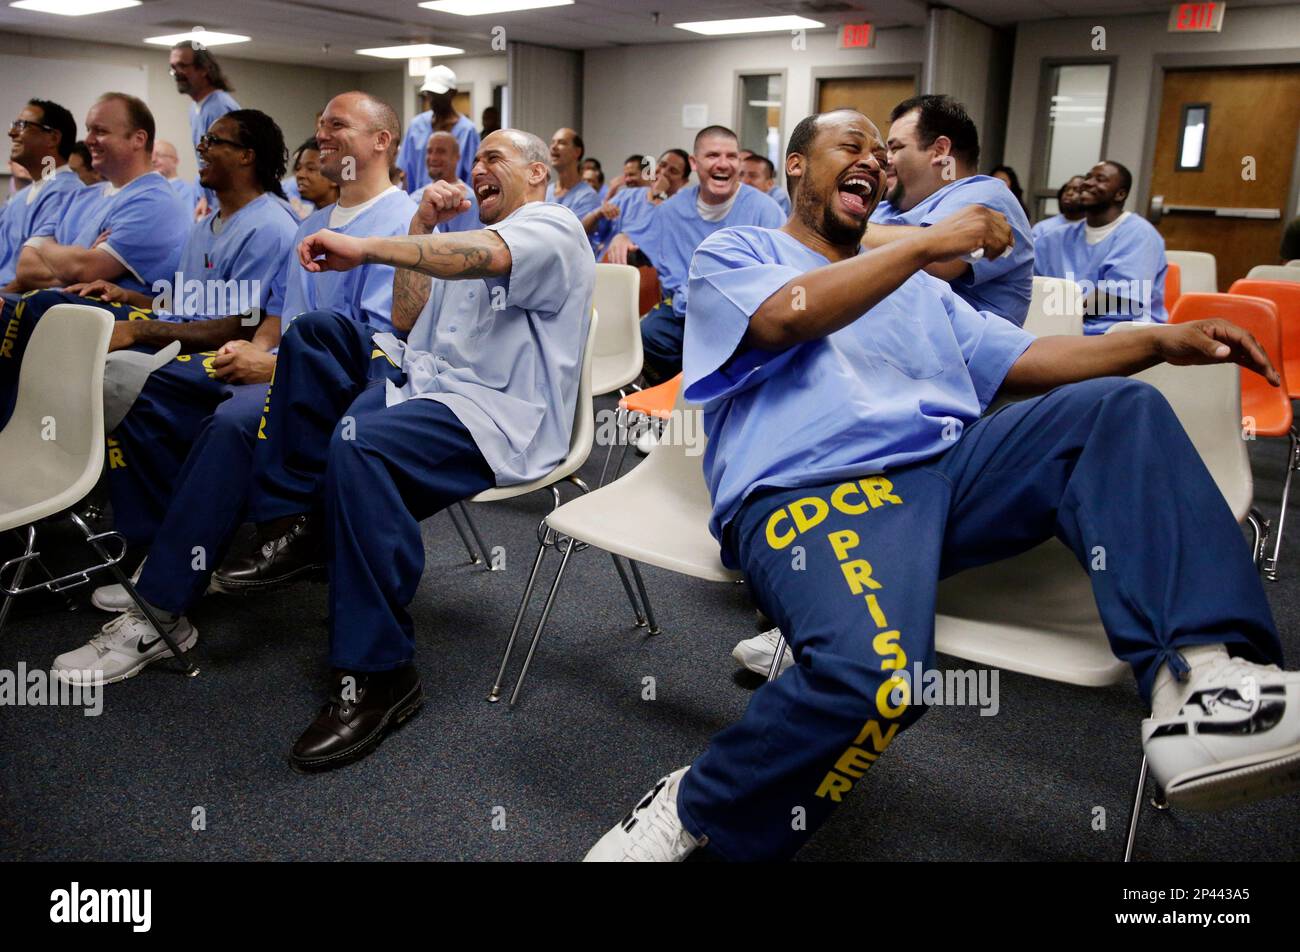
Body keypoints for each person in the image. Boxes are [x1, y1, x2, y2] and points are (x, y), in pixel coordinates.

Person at [586, 108, 1298, 862]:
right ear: (795, 166)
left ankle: (1205, 681)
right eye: (849, 146)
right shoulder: (742, 248)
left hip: (944, 475)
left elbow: (1025, 361)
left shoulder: (919, 292)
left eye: (881, 156)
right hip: (808, 489)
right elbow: (786, 319)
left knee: (1117, 411)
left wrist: (1157, 340)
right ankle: (695, 804)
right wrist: (926, 242)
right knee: (883, 685)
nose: (873, 161)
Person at [207, 129, 595, 769]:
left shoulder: (551, 228)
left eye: (493, 159)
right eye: (477, 163)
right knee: (317, 334)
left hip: (494, 413)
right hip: (421, 379)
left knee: (363, 447)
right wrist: (421, 223)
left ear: (537, 174)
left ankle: (381, 677)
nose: (477, 171)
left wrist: (364, 247)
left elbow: (488, 257)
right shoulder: (461, 239)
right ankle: (296, 525)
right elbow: (409, 319)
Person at [49, 92, 418, 685]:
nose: (321, 134)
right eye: (319, 123)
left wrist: (274, 368)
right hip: (287, 370)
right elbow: (280, 317)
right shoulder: (316, 223)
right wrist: (259, 349)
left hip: (350, 391)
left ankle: (162, 616)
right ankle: (178, 552)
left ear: (382, 142)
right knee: (151, 393)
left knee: (232, 423)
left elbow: (383, 345)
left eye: (338, 125)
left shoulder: (404, 222)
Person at [4, 108, 300, 453]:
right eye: (202, 140)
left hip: (215, 345)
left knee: (117, 379)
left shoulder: (269, 227)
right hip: (183, 332)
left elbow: (237, 326)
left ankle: (125, 497)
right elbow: (187, 305)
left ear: (247, 156)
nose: (201, 149)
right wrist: (129, 297)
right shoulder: (204, 226)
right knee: (56, 327)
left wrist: (136, 330)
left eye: (214, 142)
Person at [607, 125, 783, 382]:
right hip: (686, 313)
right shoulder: (672, 210)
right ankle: (672, 400)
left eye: (731, 156)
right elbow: (642, 233)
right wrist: (623, 235)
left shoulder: (765, 211)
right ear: (695, 162)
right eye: (713, 156)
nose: (723, 164)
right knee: (647, 334)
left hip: (744, 318)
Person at [867, 95, 1033, 327]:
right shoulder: (887, 206)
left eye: (896, 148)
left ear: (940, 150)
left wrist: (846, 229)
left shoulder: (987, 196)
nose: (886, 160)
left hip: (955, 355)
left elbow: (942, 258)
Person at [5, 93, 187, 297]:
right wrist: (80, 257)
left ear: (138, 139)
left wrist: (46, 248)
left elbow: (88, 269)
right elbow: (25, 267)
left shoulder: (154, 201)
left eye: (100, 131)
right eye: (88, 130)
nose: (88, 140)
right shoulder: (81, 196)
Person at [1034, 160, 1168, 334]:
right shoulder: (1057, 237)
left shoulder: (1140, 234)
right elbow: (1027, 280)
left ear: (1120, 194)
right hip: (1063, 330)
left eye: (1100, 179)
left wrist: (1060, 315)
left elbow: (1116, 299)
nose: (1087, 183)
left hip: (1121, 334)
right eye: (1088, 177)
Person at [0, 99, 82, 288]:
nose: (12, 133)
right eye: (15, 125)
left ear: (53, 138)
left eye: (23, 126)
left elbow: (34, 275)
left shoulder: (68, 193)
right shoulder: (18, 199)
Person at [170, 39, 240, 214]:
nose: (177, 73)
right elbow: (204, 160)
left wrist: (219, 201)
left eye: (182, 66)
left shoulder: (219, 107)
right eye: (173, 67)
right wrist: (204, 196)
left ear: (204, 69)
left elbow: (228, 161)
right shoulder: (195, 109)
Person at [585, 149, 688, 261]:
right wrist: (598, 213)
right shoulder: (627, 195)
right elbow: (583, 229)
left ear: (684, 182)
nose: (663, 172)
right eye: (662, 165)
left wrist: (659, 194)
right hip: (606, 266)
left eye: (673, 171)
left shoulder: (682, 208)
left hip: (644, 273)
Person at [397, 65, 478, 195]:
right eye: (430, 94)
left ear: (453, 93)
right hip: (418, 202)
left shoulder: (467, 131)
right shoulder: (416, 126)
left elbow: (472, 175)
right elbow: (406, 171)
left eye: (438, 95)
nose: (433, 100)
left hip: (455, 204)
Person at [423, 130, 478, 232]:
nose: (433, 158)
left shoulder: (468, 201)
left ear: (457, 157)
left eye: (441, 152)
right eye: (430, 151)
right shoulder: (416, 196)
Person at [289, 137, 338, 218]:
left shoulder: (353, 221)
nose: (300, 175)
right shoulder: (311, 221)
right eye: (298, 168)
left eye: (311, 169)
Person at [1031, 174, 1086, 241]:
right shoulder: (1042, 228)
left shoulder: (1092, 228)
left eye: (1076, 190)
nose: (1069, 193)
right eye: (1066, 189)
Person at [151, 139, 200, 214]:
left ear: (175, 161)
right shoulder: (148, 191)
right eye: (151, 156)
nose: (153, 160)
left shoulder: (189, 192)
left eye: (159, 155)